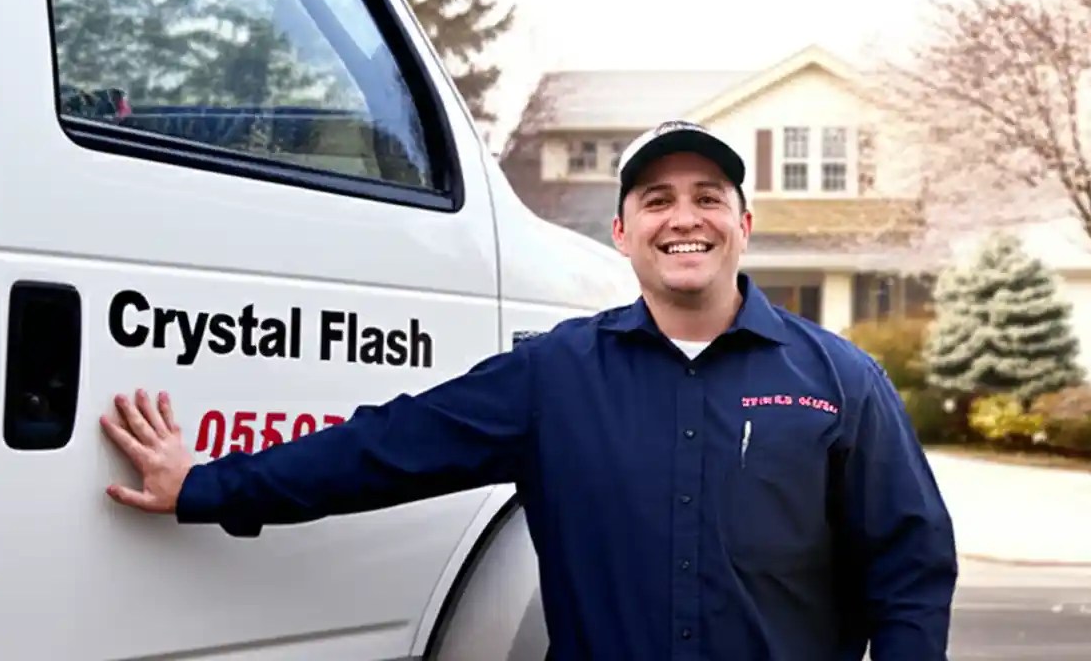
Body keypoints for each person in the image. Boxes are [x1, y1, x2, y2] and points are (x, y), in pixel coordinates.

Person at [101, 119, 958, 660]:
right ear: (623, 232)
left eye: (709, 197)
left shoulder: (839, 381)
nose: (684, 217)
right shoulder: (554, 376)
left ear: (744, 223)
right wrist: (207, 486)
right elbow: (383, 448)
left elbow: (910, 564)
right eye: (657, 199)